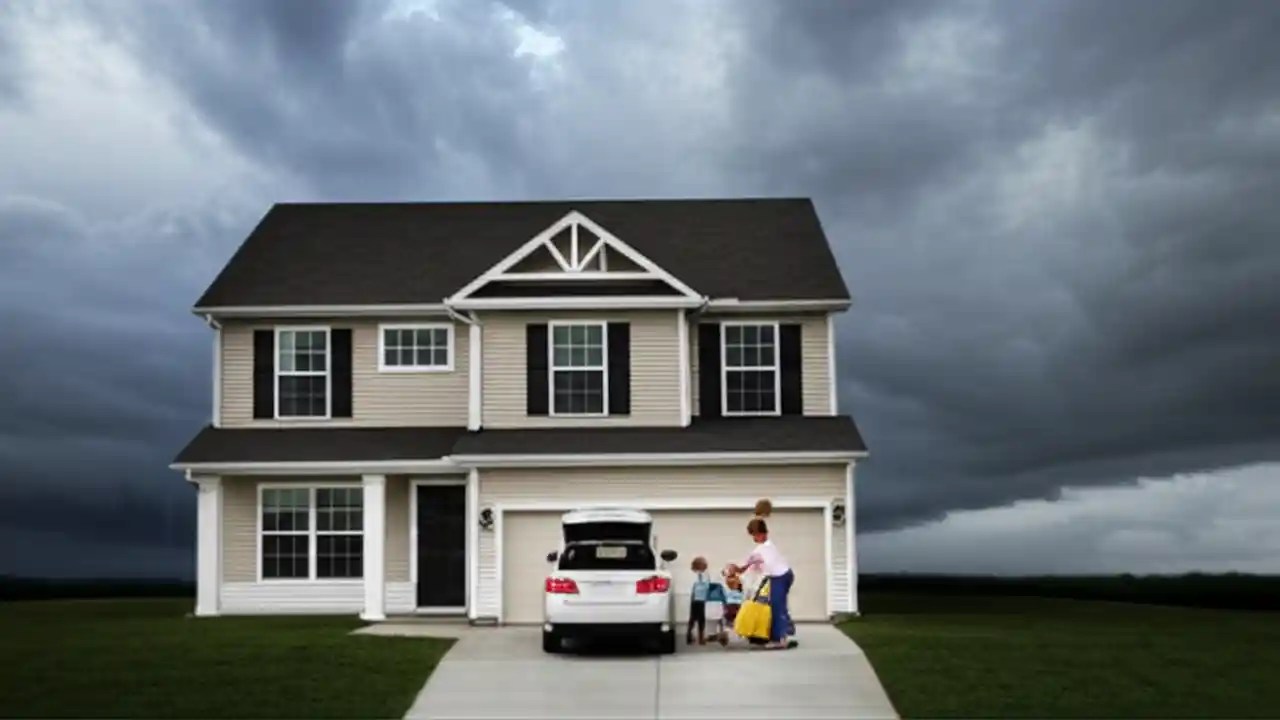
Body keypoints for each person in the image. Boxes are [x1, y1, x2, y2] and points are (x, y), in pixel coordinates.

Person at [730, 518, 797, 650]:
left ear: (762, 533)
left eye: (756, 535)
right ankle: (783, 632)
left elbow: (746, 566)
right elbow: (747, 566)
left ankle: (779, 639)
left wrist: (736, 569)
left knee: (777, 607)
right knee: (774, 605)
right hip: (780, 576)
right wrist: (737, 570)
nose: (755, 538)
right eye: (753, 535)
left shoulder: (764, 548)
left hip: (781, 576)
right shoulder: (764, 547)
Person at [687, 556, 711, 645]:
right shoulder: (693, 574)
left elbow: (708, 585)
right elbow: (692, 586)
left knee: (701, 618)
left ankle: (701, 637)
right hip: (694, 598)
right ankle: (689, 635)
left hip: (702, 598)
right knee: (693, 618)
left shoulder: (705, 574)